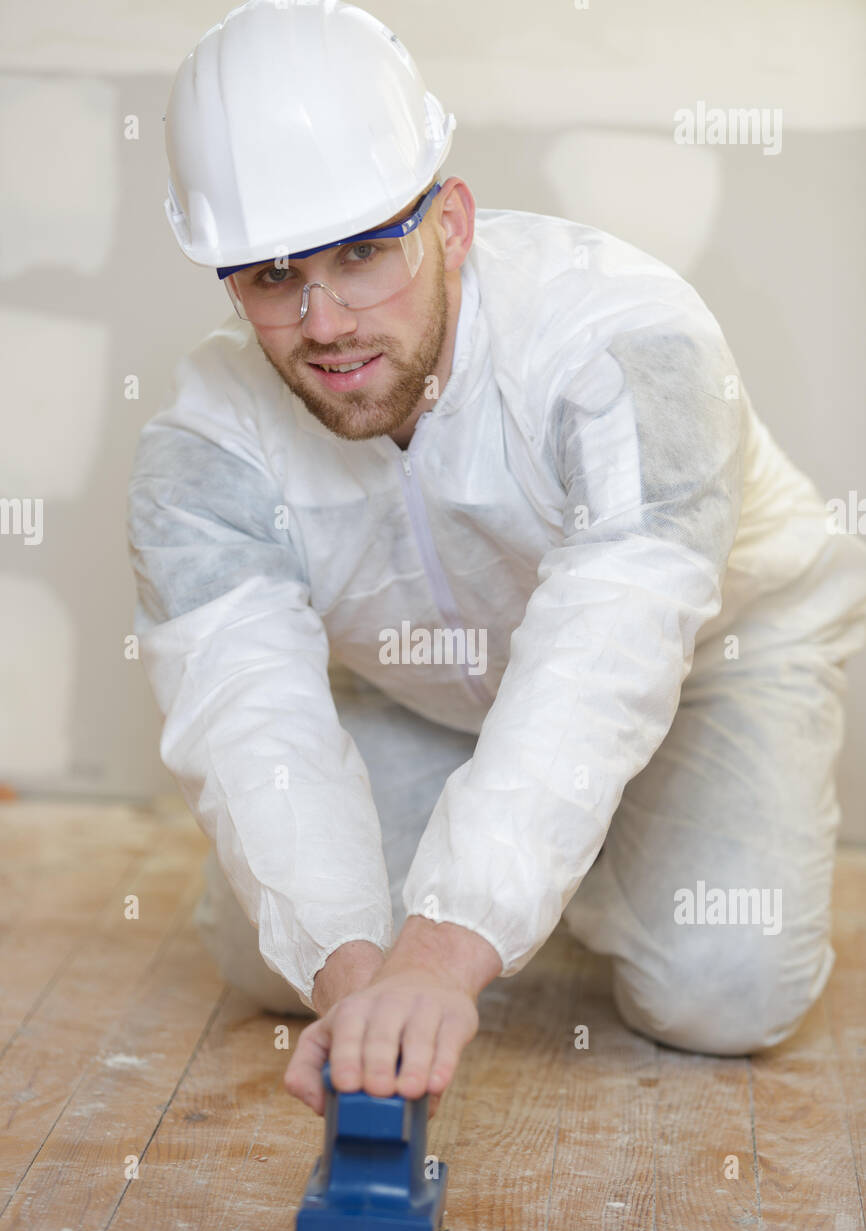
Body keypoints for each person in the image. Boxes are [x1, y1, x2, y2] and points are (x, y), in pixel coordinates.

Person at [128, 0, 866, 1118]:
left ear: (452, 221)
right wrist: (357, 973)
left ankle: (590, 855)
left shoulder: (621, 346)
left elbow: (609, 644)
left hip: (718, 656)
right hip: (420, 687)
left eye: (364, 253)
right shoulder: (201, 445)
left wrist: (447, 948)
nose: (324, 322)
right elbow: (246, 712)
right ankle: (523, 858)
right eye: (273, 277)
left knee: (723, 990)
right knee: (274, 963)